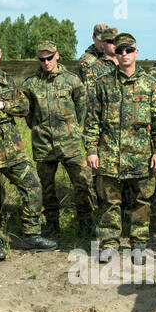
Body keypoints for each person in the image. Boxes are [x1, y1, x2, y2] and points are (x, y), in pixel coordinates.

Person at [0, 35, 58, 261]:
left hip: (13, 150)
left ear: (0, 55)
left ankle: (32, 234)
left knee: (33, 186)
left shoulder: (7, 79)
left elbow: (24, 107)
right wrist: (2, 110)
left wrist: (1, 104)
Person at [83, 32, 156, 256]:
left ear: (136, 52)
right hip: (110, 154)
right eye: (120, 50)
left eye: (128, 50)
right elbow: (92, 120)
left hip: (141, 156)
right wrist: (92, 149)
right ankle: (109, 244)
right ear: (115, 54)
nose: (124, 54)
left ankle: (138, 244)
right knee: (109, 201)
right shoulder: (103, 84)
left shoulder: (150, 84)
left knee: (141, 202)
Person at [22, 39, 94, 237]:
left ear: (57, 55)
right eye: (42, 58)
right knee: (46, 186)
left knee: (82, 182)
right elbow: (29, 114)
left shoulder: (72, 80)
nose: (46, 62)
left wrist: (73, 130)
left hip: (70, 144)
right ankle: (52, 223)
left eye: (49, 57)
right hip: (43, 144)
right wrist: (39, 128)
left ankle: (86, 221)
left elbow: (83, 108)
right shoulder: (30, 84)